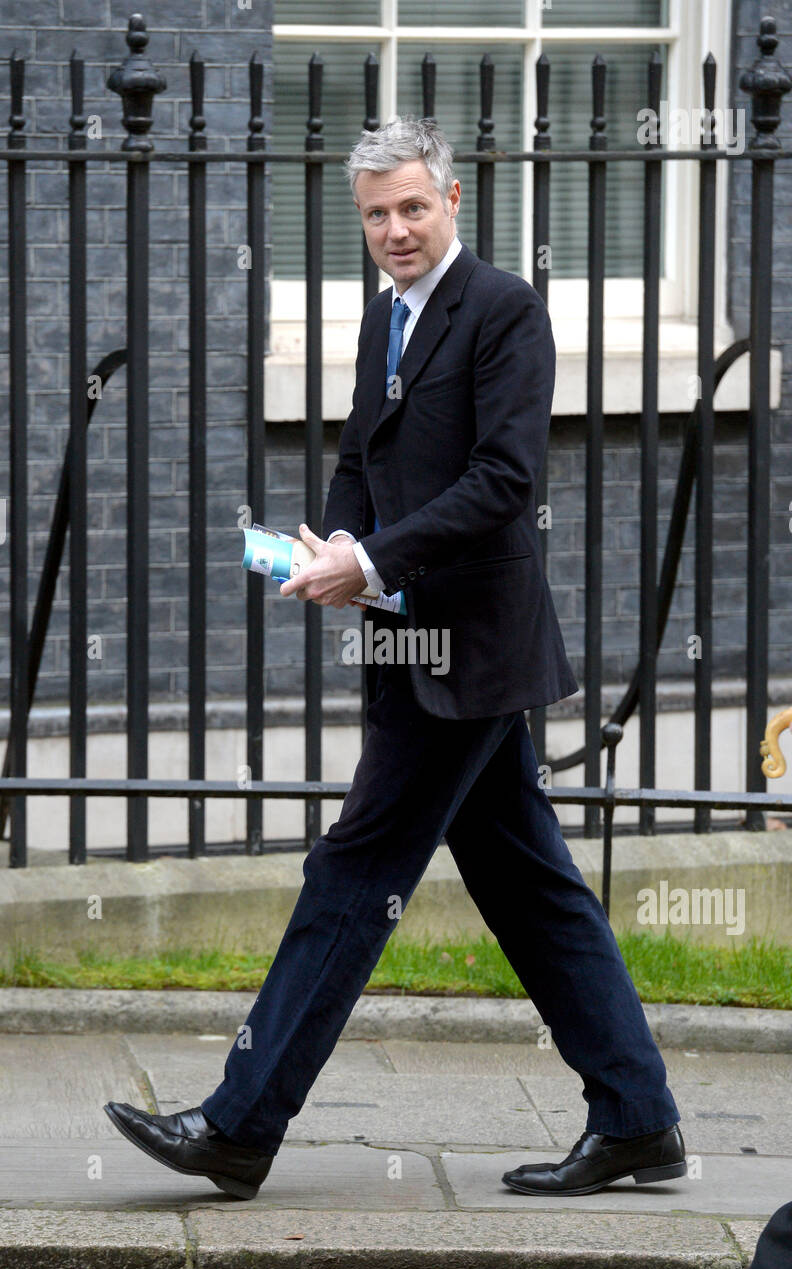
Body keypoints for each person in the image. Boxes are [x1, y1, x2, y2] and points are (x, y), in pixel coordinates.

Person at [105, 116, 685, 1202]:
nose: (394, 229)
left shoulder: (506, 311)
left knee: (355, 870)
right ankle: (641, 1116)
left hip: (470, 652)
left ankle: (238, 1124)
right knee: (533, 887)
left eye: (412, 206)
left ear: (454, 201)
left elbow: (504, 480)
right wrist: (333, 546)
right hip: (412, 637)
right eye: (375, 214)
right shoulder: (386, 318)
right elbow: (362, 458)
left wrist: (373, 554)